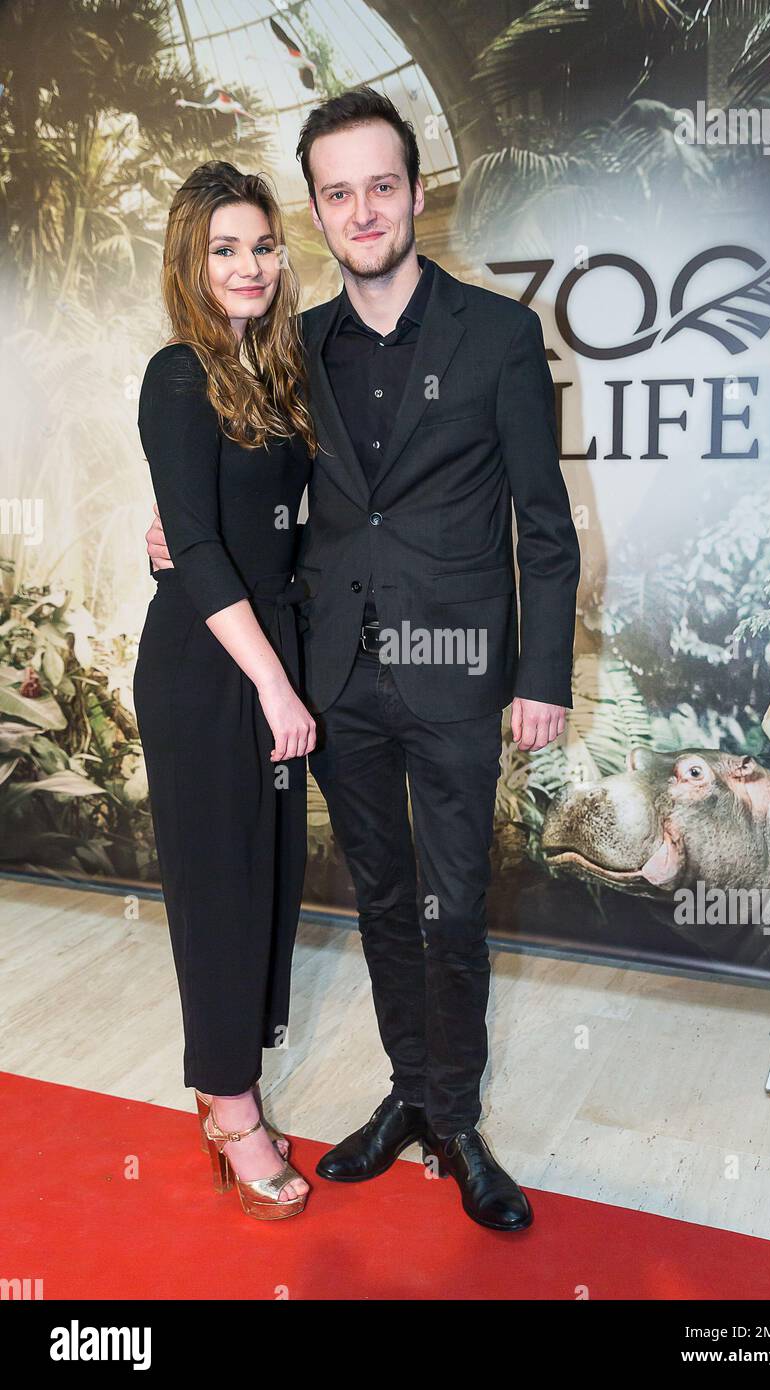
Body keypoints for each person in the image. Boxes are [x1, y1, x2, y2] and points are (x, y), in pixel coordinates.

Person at [148, 87, 581, 1233]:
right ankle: (406, 1092)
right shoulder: (293, 351)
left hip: (457, 673)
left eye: (379, 185)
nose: (361, 209)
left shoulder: (496, 336)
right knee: (381, 897)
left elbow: (543, 524)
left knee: (454, 906)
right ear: (317, 212)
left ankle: (457, 1120)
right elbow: (242, 493)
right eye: (336, 193)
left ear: (415, 192)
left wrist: (540, 674)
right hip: (335, 674)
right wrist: (172, 535)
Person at [134, 162, 317, 1220]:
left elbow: (242, 529)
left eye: (261, 245)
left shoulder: (276, 374)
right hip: (209, 673)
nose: (248, 265)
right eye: (223, 248)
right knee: (219, 891)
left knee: (266, 883)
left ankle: (233, 1076)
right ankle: (229, 1106)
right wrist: (276, 688)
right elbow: (198, 549)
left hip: (265, 648)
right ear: (189, 263)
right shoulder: (179, 375)